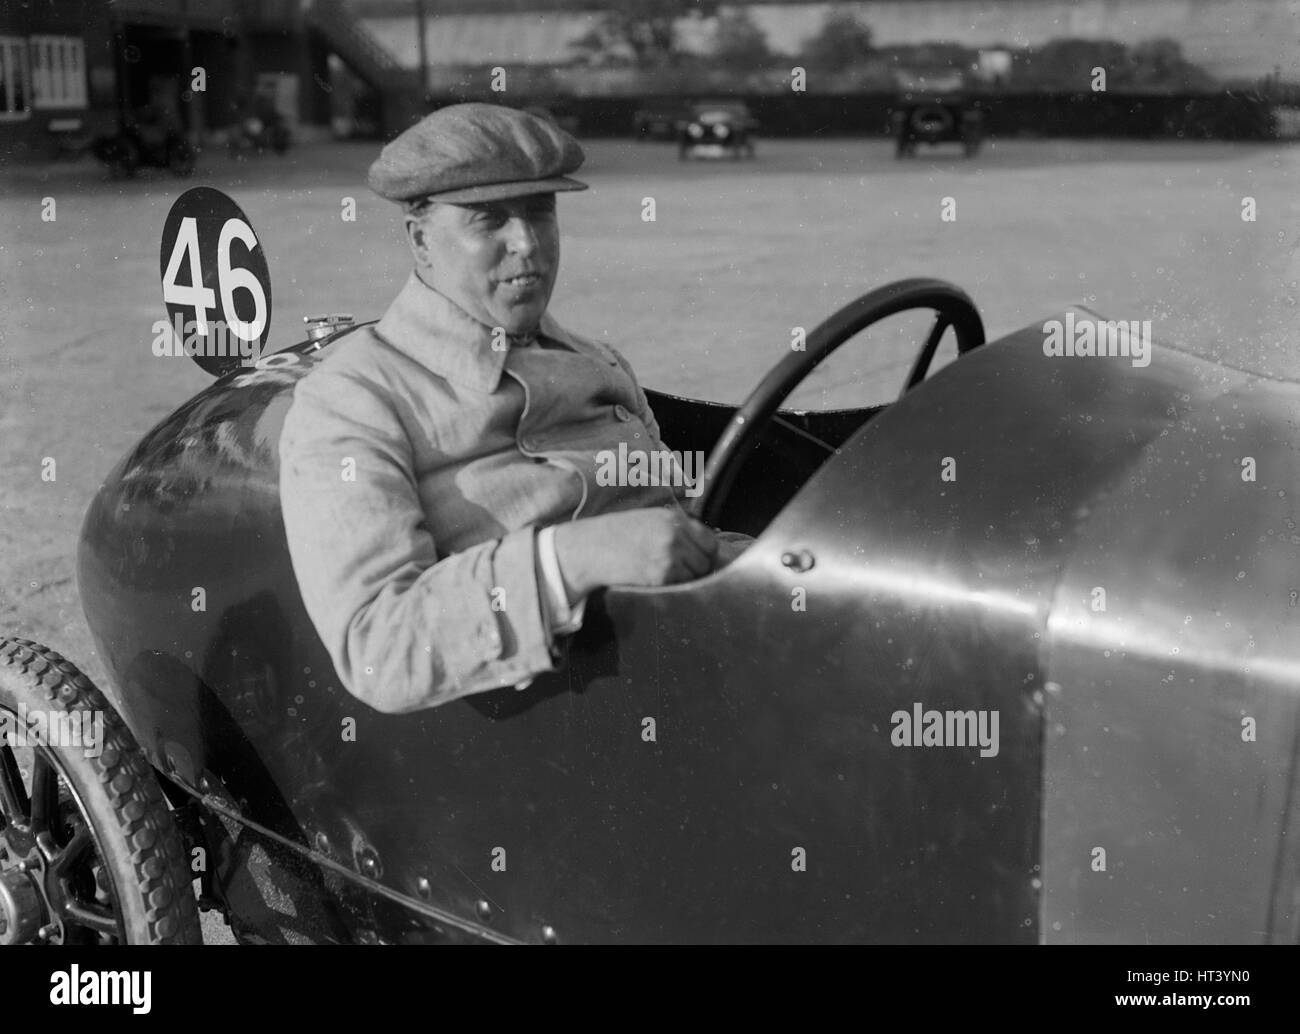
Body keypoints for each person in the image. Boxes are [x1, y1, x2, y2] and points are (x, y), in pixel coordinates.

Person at [279, 103, 747, 715]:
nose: (526, 243)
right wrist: (572, 558)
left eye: (539, 212)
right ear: (421, 241)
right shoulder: (354, 401)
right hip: (588, 710)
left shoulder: (599, 360)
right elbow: (378, 648)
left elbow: (678, 516)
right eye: (489, 219)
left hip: (708, 653)